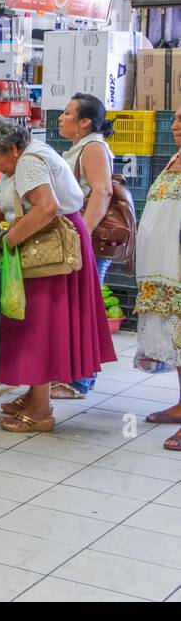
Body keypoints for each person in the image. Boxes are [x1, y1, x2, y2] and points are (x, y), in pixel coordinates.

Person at [0, 116, 115, 433]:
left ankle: (40, 410)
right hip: (45, 247)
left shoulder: (29, 162)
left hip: (48, 252)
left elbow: (46, 207)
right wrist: (2, 211)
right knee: (34, 323)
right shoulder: (27, 155)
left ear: (11, 147)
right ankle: (34, 396)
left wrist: (8, 240)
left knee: (41, 326)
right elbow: (28, 200)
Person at [57, 93, 118, 398]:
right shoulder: (81, 147)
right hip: (76, 237)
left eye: (68, 114)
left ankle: (80, 380)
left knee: (84, 309)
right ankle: (73, 375)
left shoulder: (93, 147)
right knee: (75, 307)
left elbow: (102, 191)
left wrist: (84, 233)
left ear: (85, 122)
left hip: (87, 240)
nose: (61, 117)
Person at [133, 111, 181, 452]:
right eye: (176, 120)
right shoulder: (174, 159)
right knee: (175, 341)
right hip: (162, 273)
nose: (176, 126)